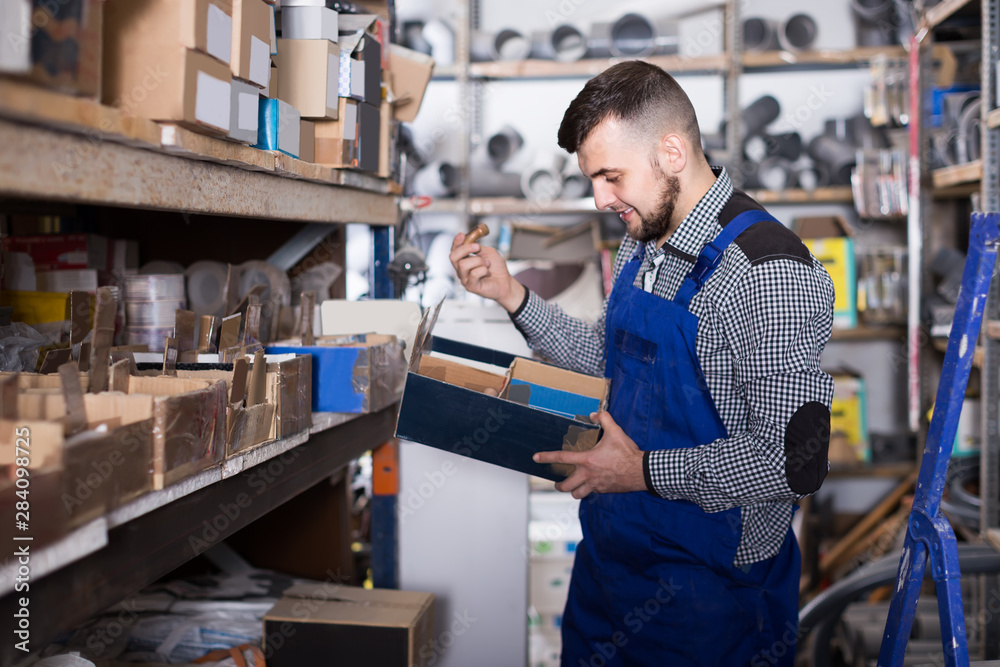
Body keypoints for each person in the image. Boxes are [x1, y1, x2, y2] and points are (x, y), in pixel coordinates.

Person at [449, 61, 834, 667]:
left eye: (610, 175)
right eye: (593, 179)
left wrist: (642, 471)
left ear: (672, 152)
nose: (601, 199)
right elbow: (605, 362)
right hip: (611, 565)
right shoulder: (643, 238)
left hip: (709, 598)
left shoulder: (768, 273)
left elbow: (793, 463)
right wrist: (511, 294)